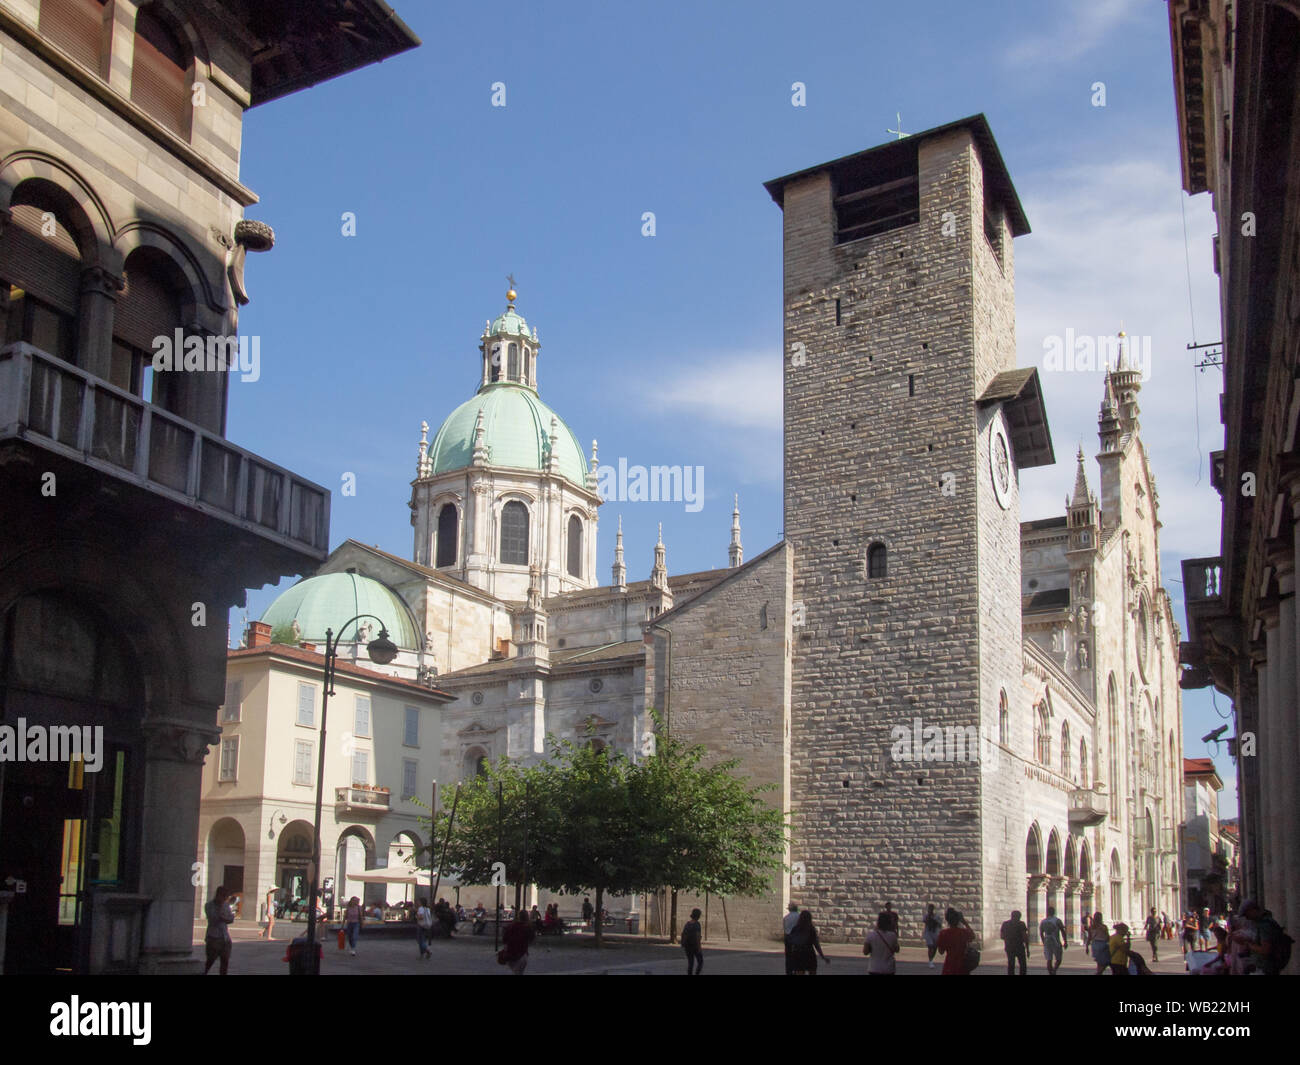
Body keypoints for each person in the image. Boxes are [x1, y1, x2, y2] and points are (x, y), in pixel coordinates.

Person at [203, 885, 235, 975]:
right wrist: (221, 912)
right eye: (223, 896)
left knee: (225, 962)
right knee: (210, 960)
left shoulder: (226, 905)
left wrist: (225, 917)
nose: (225, 898)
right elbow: (213, 918)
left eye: (226, 896)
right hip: (213, 937)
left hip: (225, 938)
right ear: (218, 895)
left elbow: (230, 919)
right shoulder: (209, 905)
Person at [786, 910, 830, 975]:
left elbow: (790, 942)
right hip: (809, 954)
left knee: (799, 972)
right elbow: (816, 944)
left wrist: (790, 957)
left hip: (798, 954)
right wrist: (822, 956)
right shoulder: (811, 929)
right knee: (812, 971)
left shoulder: (795, 929)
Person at [935, 908, 974, 975]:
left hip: (949, 966)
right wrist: (964, 922)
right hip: (963, 966)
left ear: (947, 920)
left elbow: (941, 951)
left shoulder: (944, 933)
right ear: (958, 920)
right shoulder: (963, 932)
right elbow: (973, 936)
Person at [501, 908, 535, 975]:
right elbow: (531, 938)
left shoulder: (512, 926)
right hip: (522, 953)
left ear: (519, 916)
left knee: (516, 971)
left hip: (511, 952)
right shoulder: (528, 928)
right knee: (519, 972)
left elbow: (504, 939)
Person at [1000, 909, 1029, 975]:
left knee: (1011, 964)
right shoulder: (1021, 924)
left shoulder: (1005, 924)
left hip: (1009, 947)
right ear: (1019, 917)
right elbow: (1025, 937)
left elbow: (1002, 936)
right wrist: (1027, 949)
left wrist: (1008, 939)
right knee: (1022, 965)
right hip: (1019, 947)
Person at [1039, 905, 1066, 975]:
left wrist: (1043, 941)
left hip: (1047, 941)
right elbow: (1063, 931)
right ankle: (1054, 970)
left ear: (1047, 912)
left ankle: (1051, 973)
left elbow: (1041, 933)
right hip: (1056, 941)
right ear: (1054, 912)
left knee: (1049, 959)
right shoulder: (1057, 920)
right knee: (1059, 959)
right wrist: (1065, 941)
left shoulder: (1043, 921)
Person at [682, 907, 704, 975]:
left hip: (687, 946)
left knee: (690, 963)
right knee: (700, 962)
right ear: (698, 916)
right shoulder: (697, 924)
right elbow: (697, 936)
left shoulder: (687, 924)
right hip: (695, 946)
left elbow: (684, 934)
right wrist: (699, 947)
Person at [782, 901, 801, 976]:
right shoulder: (799, 916)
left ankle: (789, 971)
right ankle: (797, 970)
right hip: (797, 938)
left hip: (788, 938)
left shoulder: (786, 918)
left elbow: (785, 929)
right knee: (797, 956)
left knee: (788, 956)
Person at [922, 903, 942, 968]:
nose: (930, 910)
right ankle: (930, 961)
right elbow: (925, 921)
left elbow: (940, 925)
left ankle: (931, 959)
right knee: (930, 947)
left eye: (931, 908)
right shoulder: (926, 916)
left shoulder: (937, 916)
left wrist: (935, 921)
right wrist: (929, 917)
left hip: (935, 933)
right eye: (929, 908)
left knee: (935, 947)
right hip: (928, 933)